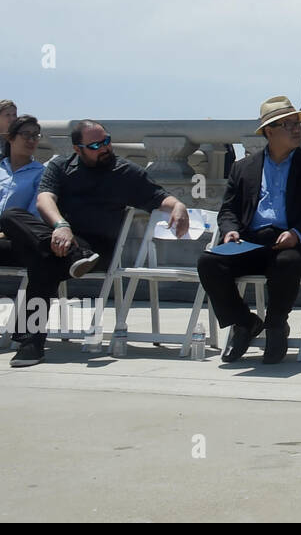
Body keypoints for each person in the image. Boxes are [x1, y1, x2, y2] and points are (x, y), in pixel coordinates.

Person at [1, 120, 190, 368]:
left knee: (43, 260)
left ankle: (30, 343)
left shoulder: (125, 171)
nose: (104, 148)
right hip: (61, 241)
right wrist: (61, 226)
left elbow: (158, 196)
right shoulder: (61, 165)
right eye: (95, 145)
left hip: (95, 249)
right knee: (11, 217)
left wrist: (178, 205)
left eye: (106, 141)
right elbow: (44, 199)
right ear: (78, 149)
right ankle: (70, 257)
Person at [197, 95, 301, 365]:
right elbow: (228, 210)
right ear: (269, 132)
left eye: (298, 124)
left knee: (287, 262)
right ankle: (245, 323)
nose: (297, 129)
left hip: (297, 243)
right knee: (209, 262)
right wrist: (230, 231)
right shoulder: (243, 168)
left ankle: (276, 327)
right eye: (288, 125)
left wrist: (297, 233)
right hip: (253, 241)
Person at [0, 115, 46, 268]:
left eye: (35, 136)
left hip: (17, 239)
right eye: (26, 135)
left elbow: (34, 217)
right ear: (10, 138)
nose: (32, 140)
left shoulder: (41, 174)